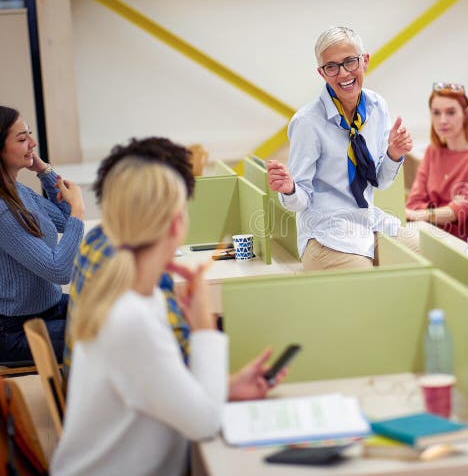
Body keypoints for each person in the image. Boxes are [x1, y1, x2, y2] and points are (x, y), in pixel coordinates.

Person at [64, 137, 284, 402]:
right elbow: (197, 402)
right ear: (175, 219)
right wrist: (204, 325)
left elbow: (171, 381)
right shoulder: (142, 287)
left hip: (98, 397)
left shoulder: (97, 239)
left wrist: (229, 385)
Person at [53, 158, 225, 474]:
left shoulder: (135, 295)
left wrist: (224, 384)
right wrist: (205, 328)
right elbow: (206, 424)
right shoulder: (129, 318)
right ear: (177, 225)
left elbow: (167, 388)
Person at [267, 26, 414, 271]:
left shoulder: (377, 106)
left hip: (368, 222)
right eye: (331, 66)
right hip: (326, 234)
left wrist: (394, 154)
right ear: (321, 73)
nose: (343, 73)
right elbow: (299, 201)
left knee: (427, 258)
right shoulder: (307, 122)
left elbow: (380, 181)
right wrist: (290, 189)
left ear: (365, 61)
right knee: (363, 283)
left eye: (350, 61)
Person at [0, 105, 85, 362]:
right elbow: (59, 271)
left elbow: (63, 220)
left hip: (51, 307)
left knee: (117, 316)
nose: (32, 143)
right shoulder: (3, 210)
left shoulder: (18, 191)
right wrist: (79, 210)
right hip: (16, 330)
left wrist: (44, 172)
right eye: (22, 139)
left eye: (30, 135)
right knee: (107, 336)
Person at [405, 82, 468, 241]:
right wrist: (444, 211)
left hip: (458, 242)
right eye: (436, 113)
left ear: (466, 113)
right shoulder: (432, 151)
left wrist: (425, 212)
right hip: (425, 233)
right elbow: (413, 204)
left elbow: (463, 209)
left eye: (451, 112)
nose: (442, 120)